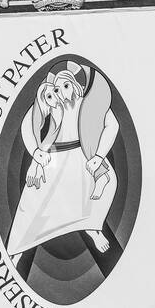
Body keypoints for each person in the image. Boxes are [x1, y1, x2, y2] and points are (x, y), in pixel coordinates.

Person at [7, 60, 119, 263]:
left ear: (75, 84)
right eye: (57, 89)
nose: (62, 93)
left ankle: (93, 229)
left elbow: (112, 125)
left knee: (104, 184)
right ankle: (16, 252)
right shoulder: (53, 104)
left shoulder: (90, 103)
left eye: (66, 86)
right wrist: (35, 153)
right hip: (54, 159)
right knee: (30, 204)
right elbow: (27, 124)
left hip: (84, 155)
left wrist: (99, 156)